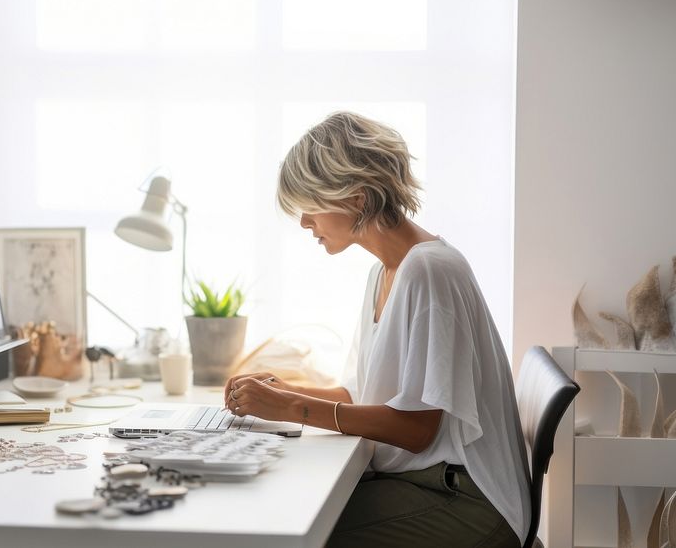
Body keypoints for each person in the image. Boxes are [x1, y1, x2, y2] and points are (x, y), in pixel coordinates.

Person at [224, 111, 529, 547]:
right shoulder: (384, 273)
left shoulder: (429, 270)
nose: (303, 222)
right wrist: (277, 392)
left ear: (356, 199)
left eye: (309, 204)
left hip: (467, 502)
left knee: (291, 533)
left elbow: (416, 430)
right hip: (424, 483)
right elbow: (359, 397)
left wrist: (291, 405)